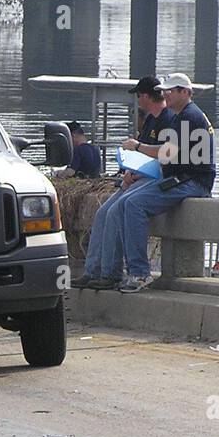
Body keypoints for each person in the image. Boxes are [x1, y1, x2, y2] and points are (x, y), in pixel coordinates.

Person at [115, 73, 216, 293]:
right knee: (125, 202)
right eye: (164, 91)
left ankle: (140, 273)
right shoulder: (182, 116)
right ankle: (132, 269)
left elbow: (167, 154)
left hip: (193, 182)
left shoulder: (189, 116)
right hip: (182, 178)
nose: (166, 94)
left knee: (133, 204)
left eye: (171, 91)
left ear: (186, 93)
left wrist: (137, 147)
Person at [72, 77, 173, 290]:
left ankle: (111, 273)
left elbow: (166, 157)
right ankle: (93, 271)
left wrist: (137, 168)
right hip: (137, 177)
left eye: (139, 96)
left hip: (151, 179)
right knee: (102, 214)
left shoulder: (168, 119)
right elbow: (140, 155)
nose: (138, 100)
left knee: (115, 212)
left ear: (145, 96)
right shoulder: (151, 121)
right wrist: (129, 171)